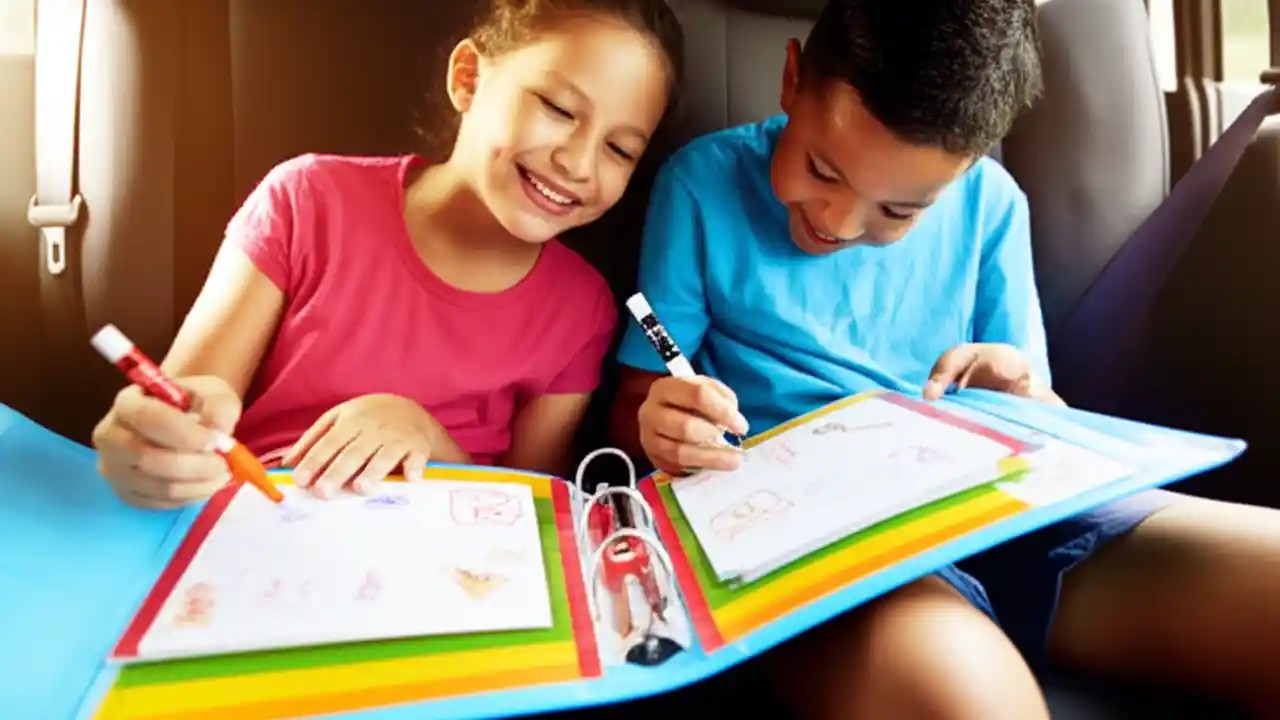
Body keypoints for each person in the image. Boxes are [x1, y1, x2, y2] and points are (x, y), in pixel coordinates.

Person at [609, 1, 1280, 717]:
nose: (837, 223)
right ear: (792, 80)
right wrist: (662, 426)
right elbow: (634, 410)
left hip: (1004, 513)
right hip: (821, 541)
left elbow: (1047, 428)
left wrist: (1026, 396)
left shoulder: (993, 207)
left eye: (898, 210)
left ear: (960, 171)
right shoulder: (702, 185)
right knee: (965, 696)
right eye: (821, 168)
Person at [91, 0, 684, 507]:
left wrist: (424, 435)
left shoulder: (581, 308)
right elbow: (188, 397)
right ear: (470, 79)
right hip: (258, 527)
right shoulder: (307, 201)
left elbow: (527, 505)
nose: (578, 163)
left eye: (619, 149)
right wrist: (158, 445)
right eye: (557, 110)